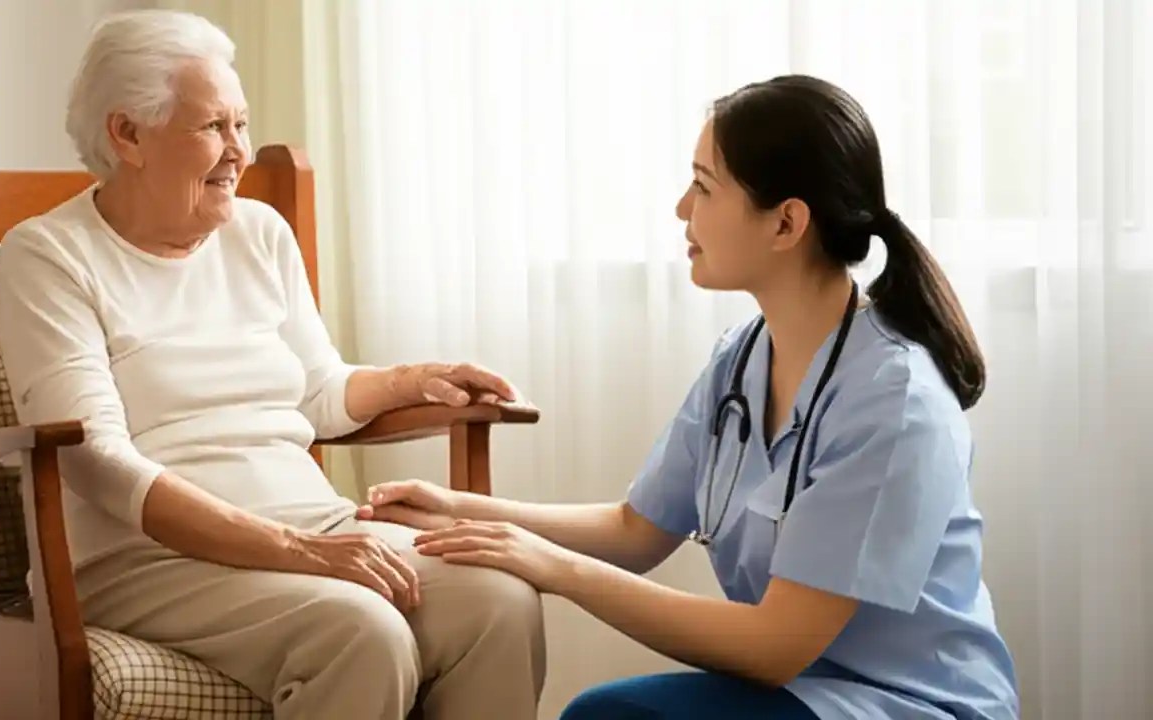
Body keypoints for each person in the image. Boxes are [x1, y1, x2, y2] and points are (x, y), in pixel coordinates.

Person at [359, 75, 1020, 720]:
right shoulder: (742, 360)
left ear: (786, 222)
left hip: (909, 702)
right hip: (804, 693)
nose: (682, 208)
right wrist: (457, 509)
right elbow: (636, 530)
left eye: (704, 186)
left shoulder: (894, 403)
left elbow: (774, 647)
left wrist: (554, 569)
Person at [0, 10, 544, 720]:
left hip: (310, 526)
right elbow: (95, 460)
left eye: (240, 125)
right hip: (139, 560)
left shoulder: (258, 232)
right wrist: (301, 553)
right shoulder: (48, 255)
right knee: (360, 633)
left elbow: (317, 391)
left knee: (500, 599)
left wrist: (412, 379)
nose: (238, 152)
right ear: (126, 134)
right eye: (211, 128)